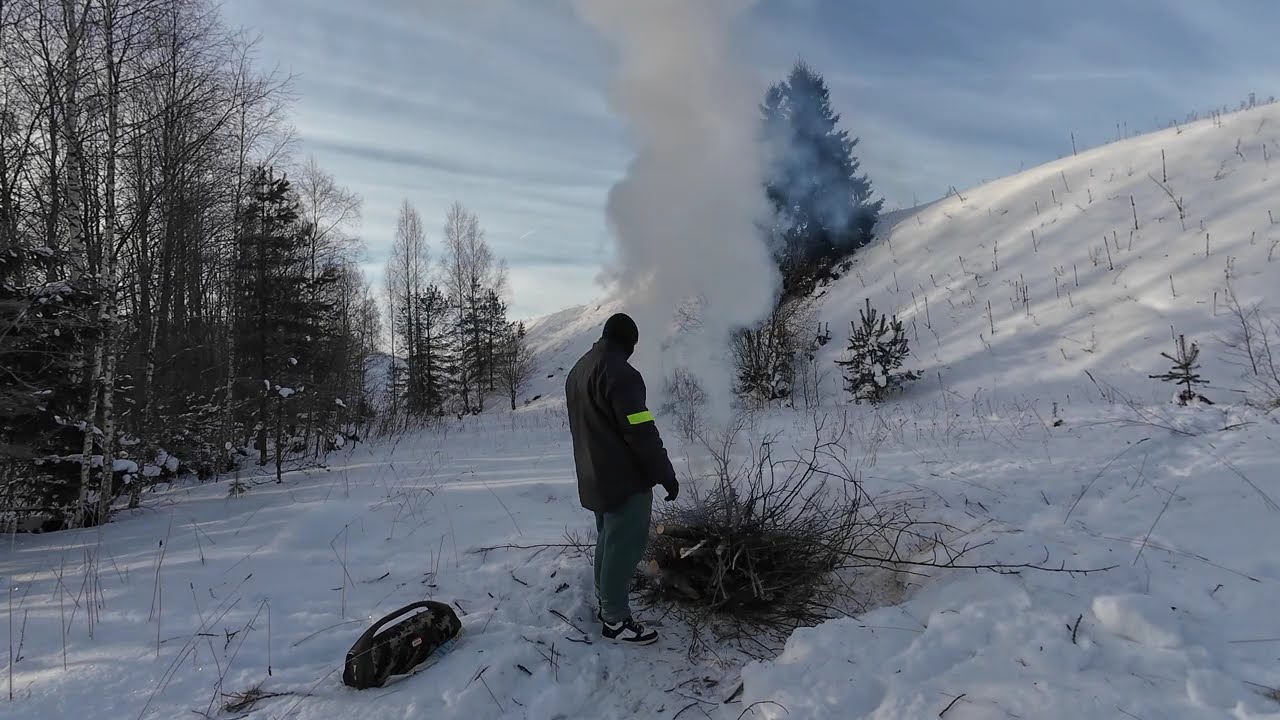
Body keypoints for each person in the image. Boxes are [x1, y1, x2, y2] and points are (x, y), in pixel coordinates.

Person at [565, 312, 679, 645]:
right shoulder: (622, 374)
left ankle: (606, 601)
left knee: (608, 540)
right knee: (624, 546)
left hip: (592, 474)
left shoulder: (579, 369)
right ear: (629, 343)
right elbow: (642, 432)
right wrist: (665, 474)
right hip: (624, 479)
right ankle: (615, 619)